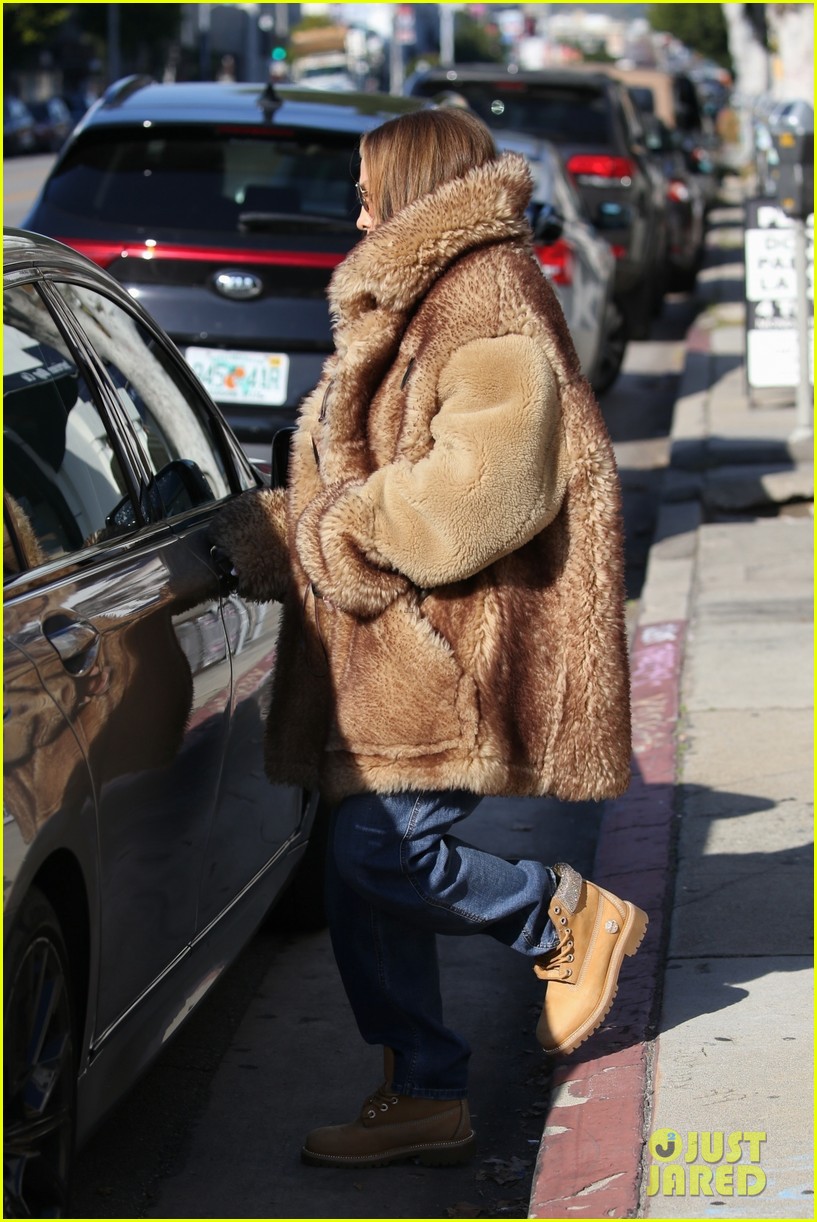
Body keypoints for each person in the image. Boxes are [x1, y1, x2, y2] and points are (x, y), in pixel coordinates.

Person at [210, 107, 647, 1170]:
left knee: (376, 852)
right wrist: (273, 538)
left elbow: (480, 489)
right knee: (365, 864)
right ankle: (425, 1087)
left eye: (367, 190)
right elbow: (354, 461)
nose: (354, 209)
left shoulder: (482, 295)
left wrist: (335, 536)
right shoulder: (407, 294)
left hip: (453, 640)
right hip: (393, 639)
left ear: (410, 192)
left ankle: (559, 914)